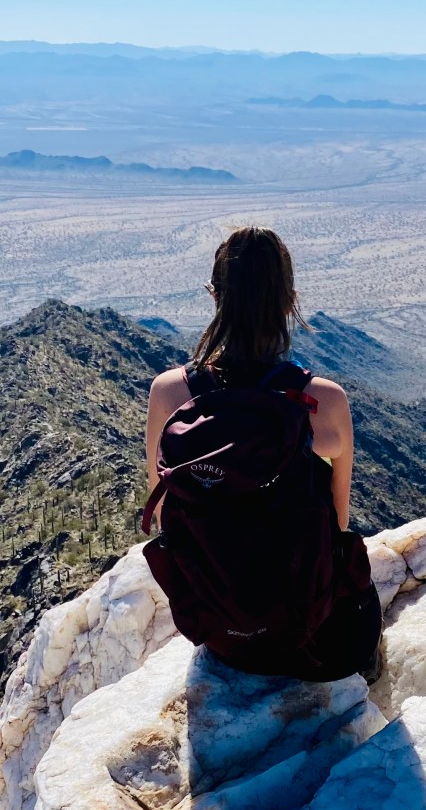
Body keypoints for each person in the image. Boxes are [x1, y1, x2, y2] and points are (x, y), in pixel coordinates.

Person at [145, 225, 382, 681]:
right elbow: (338, 522)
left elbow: (163, 518)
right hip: (319, 643)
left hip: (219, 634)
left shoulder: (170, 395)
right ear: (290, 300)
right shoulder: (325, 402)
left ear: (215, 297)